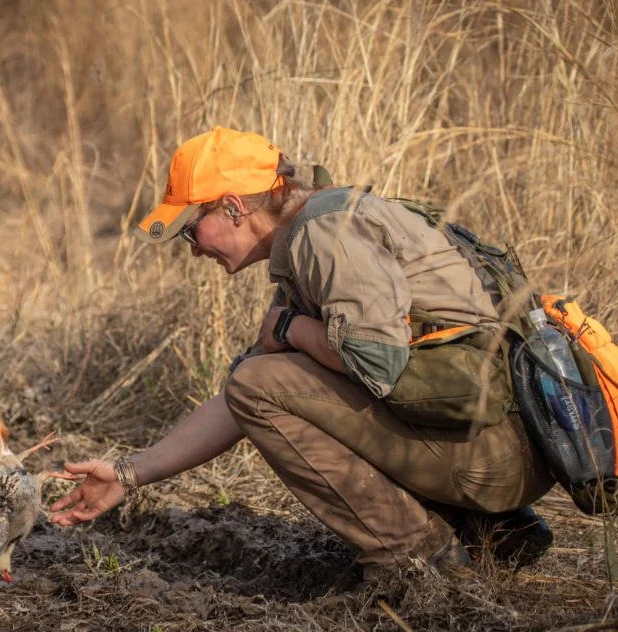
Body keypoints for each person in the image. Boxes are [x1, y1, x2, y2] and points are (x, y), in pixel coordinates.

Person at [49, 126, 555, 574]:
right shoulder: (307, 237)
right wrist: (128, 473)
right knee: (259, 381)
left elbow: (377, 364)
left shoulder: (325, 232)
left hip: (493, 455)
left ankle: (414, 558)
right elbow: (236, 401)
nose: (194, 247)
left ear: (232, 205)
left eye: (190, 229)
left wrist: (291, 328)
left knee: (262, 383)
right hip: (487, 445)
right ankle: (489, 532)